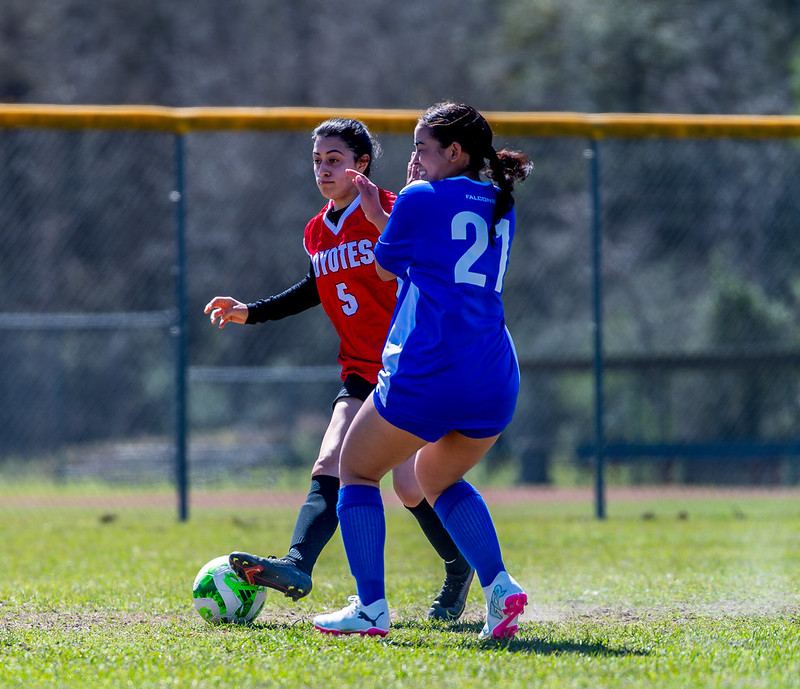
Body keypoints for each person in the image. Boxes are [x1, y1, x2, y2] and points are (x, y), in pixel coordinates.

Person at [203, 118, 474, 621]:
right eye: (317, 160)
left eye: (334, 160)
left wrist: (380, 220)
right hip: (358, 369)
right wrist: (250, 310)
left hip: (409, 365)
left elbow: (423, 262)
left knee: (411, 486)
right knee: (330, 459)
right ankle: (297, 565)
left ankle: (460, 569)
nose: (323, 169)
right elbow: (315, 285)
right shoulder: (316, 229)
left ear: (361, 165)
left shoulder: (392, 209)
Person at [312, 102, 533, 640]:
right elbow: (436, 260)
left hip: (431, 369)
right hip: (495, 376)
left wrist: (383, 209)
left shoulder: (418, 196)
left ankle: (370, 608)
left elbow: (388, 268)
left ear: (453, 152)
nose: (413, 158)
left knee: (356, 469)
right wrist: (406, 207)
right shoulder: (500, 201)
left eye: (421, 147)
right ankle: (499, 588)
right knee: (438, 477)